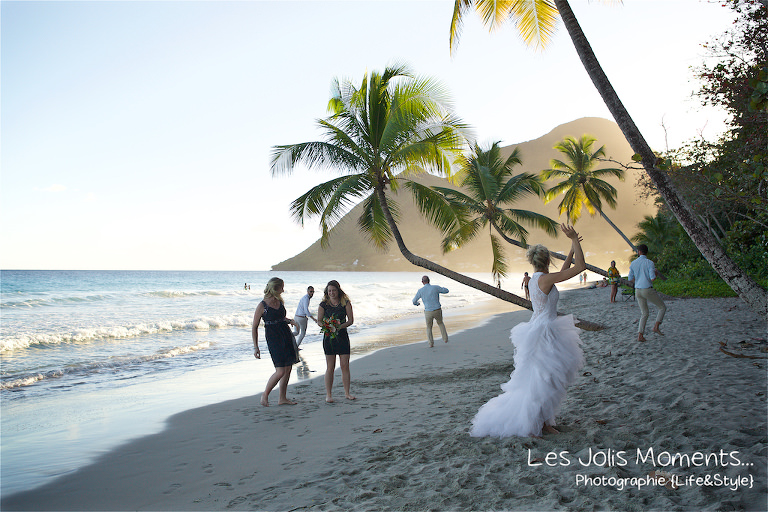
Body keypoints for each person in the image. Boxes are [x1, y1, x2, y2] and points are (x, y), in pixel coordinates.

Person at [470, 224, 586, 438]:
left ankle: (544, 422)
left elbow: (564, 271)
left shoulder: (536, 279)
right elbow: (580, 267)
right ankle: (538, 423)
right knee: (543, 380)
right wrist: (575, 240)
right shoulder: (545, 280)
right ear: (547, 260)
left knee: (545, 379)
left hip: (540, 329)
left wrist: (571, 247)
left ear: (533, 262)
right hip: (546, 333)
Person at [252, 277, 299, 406]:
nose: (283, 290)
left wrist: (290, 321)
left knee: (288, 367)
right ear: (275, 288)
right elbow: (254, 326)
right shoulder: (262, 306)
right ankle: (265, 395)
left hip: (286, 334)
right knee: (280, 370)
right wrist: (256, 347)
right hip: (273, 338)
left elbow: (281, 318)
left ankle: (282, 398)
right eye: (281, 287)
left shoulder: (279, 301)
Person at [317, 280, 355, 402]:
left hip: (342, 336)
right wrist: (327, 325)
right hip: (329, 337)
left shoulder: (346, 303)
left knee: (345, 366)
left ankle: (347, 393)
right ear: (327, 292)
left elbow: (350, 321)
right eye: (329, 291)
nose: (332, 293)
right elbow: (319, 321)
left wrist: (338, 326)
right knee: (330, 367)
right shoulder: (323, 304)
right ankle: (328, 395)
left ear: (338, 290)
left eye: (333, 290)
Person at [628, 244, 666, 342]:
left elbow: (630, 279)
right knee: (662, 307)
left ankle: (640, 335)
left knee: (644, 313)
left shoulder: (633, 263)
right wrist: (656, 274)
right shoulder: (650, 263)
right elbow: (652, 278)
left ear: (639, 252)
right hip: (647, 289)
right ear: (646, 252)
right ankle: (656, 326)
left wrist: (638, 280)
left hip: (638, 290)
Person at [412, 276, 449, 348]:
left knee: (429, 327)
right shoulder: (435, 287)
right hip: (437, 309)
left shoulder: (420, 290)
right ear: (429, 281)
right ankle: (445, 339)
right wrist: (442, 288)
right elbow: (446, 291)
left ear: (422, 282)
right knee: (440, 323)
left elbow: (414, 301)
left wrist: (417, 304)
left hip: (428, 311)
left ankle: (431, 343)